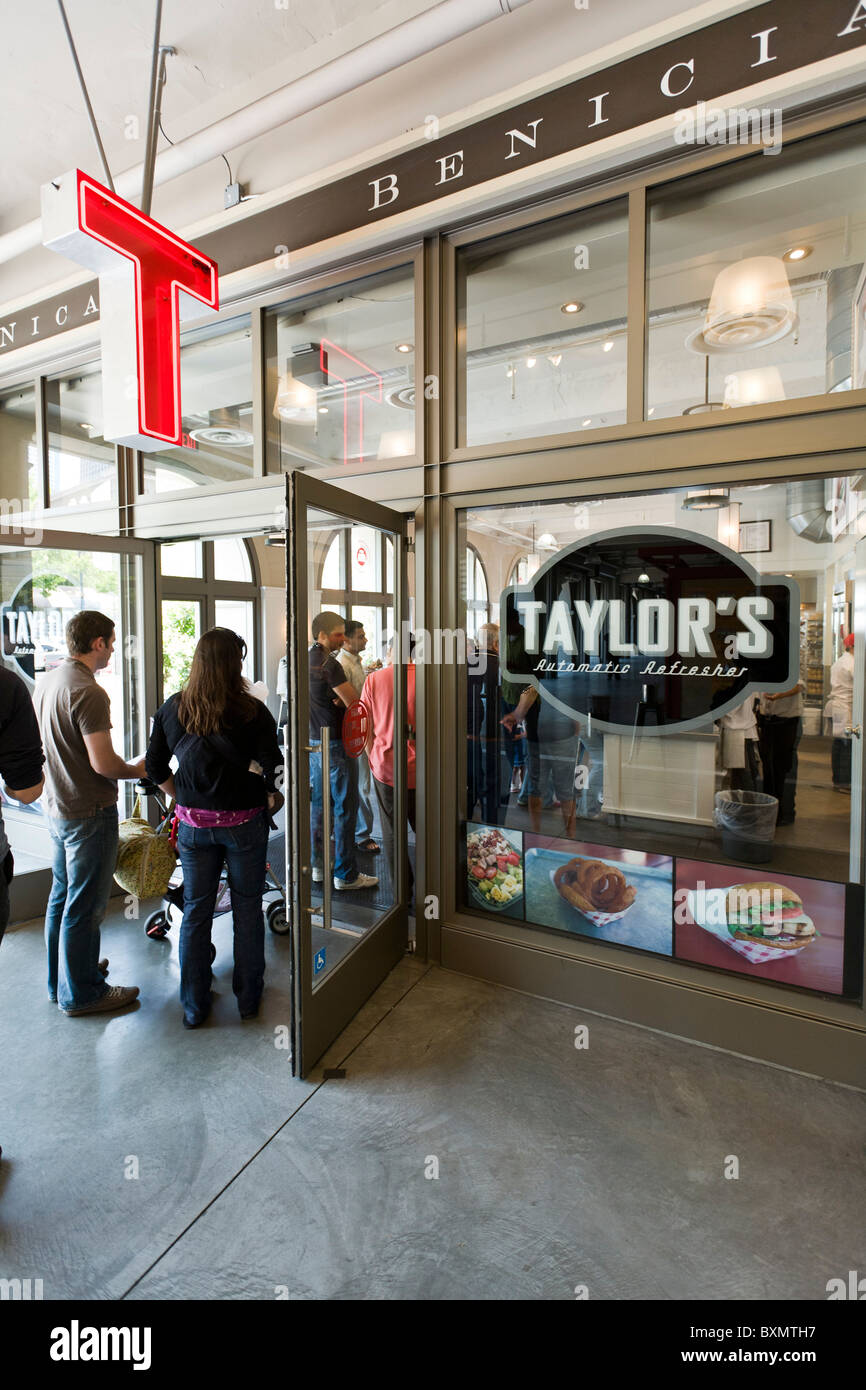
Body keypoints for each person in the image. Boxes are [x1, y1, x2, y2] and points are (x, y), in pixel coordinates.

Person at [146, 628, 281, 1028]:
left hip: (192, 830)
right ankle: (248, 998)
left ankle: (193, 1004)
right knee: (247, 909)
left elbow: (154, 768)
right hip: (244, 826)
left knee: (196, 911)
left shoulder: (173, 708)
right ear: (235, 663)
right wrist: (266, 791)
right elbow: (275, 766)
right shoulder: (252, 711)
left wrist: (181, 798)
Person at [35, 611, 144, 1016]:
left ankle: (62, 979)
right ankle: (83, 993)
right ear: (97, 642)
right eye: (111, 642)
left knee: (61, 899)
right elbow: (103, 764)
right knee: (86, 907)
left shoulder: (48, 681)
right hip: (90, 811)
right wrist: (138, 769)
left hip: (58, 808)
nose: (113, 649)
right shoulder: (89, 692)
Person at [309, 613, 378, 892]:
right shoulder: (331, 664)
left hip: (314, 741)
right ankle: (346, 874)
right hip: (337, 741)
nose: (343, 639)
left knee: (318, 806)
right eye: (338, 634)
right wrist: (341, 702)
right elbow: (355, 702)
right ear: (322, 635)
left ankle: (317, 866)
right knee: (345, 808)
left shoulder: (304, 660)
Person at [361, 634, 416, 897]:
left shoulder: (374, 679)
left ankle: (402, 893)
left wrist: (374, 758)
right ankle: (437, 888)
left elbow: (365, 727)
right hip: (424, 770)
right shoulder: (430, 678)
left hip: (386, 766)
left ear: (392, 651)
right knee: (430, 831)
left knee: (393, 834)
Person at [502, 685, 579, 838]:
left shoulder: (536, 677)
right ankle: (570, 837)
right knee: (563, 791)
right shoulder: (564, 672)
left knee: (537, 788)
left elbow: (528, 692)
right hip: (558, 736)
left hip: (542, 735)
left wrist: (516, 714)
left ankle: (536, 835)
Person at [338, 620, 380, 854]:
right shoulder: (343, 664)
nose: (365, 640)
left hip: (358, 731)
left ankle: (356, 831)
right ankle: (362, 834)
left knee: (358, 783)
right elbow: (352, 704)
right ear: (347, 639)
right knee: (361, 784)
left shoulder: (354, 663)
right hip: (355, 733)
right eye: (361, 636)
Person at [757, 675, 804, 826]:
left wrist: (780, 694)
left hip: (786, 722)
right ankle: (770, 811)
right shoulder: (763, 666)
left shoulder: (789, 661)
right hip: (766, 721)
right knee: (768, 768)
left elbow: (799, 686)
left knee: (783, 769)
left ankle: (784, 814)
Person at [467, 623, 502, 824]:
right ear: (496, 643)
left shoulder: (467, 662)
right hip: (495, 727)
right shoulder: (501, 664)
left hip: (471, 728)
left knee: (472, 771)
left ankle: (470, 812)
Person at [825, 633, 855, 793]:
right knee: (846, 745)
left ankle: (839, 780)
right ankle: (843, 782)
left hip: (840, 708)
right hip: (845, 708)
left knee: (839, 744)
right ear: (853, 646)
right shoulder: (851, 663)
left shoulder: (842, 660)